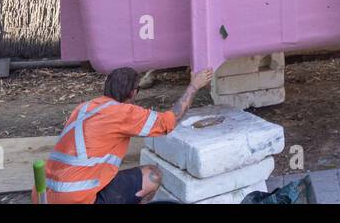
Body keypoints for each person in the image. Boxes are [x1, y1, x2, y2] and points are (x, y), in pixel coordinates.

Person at [45, 67, 214, 204]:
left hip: (46, 195)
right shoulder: (122, 112)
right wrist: (194, 86)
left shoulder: (83, 107)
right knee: (152, 175)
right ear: (133, 92)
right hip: (78, 199)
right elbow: (168, 122)